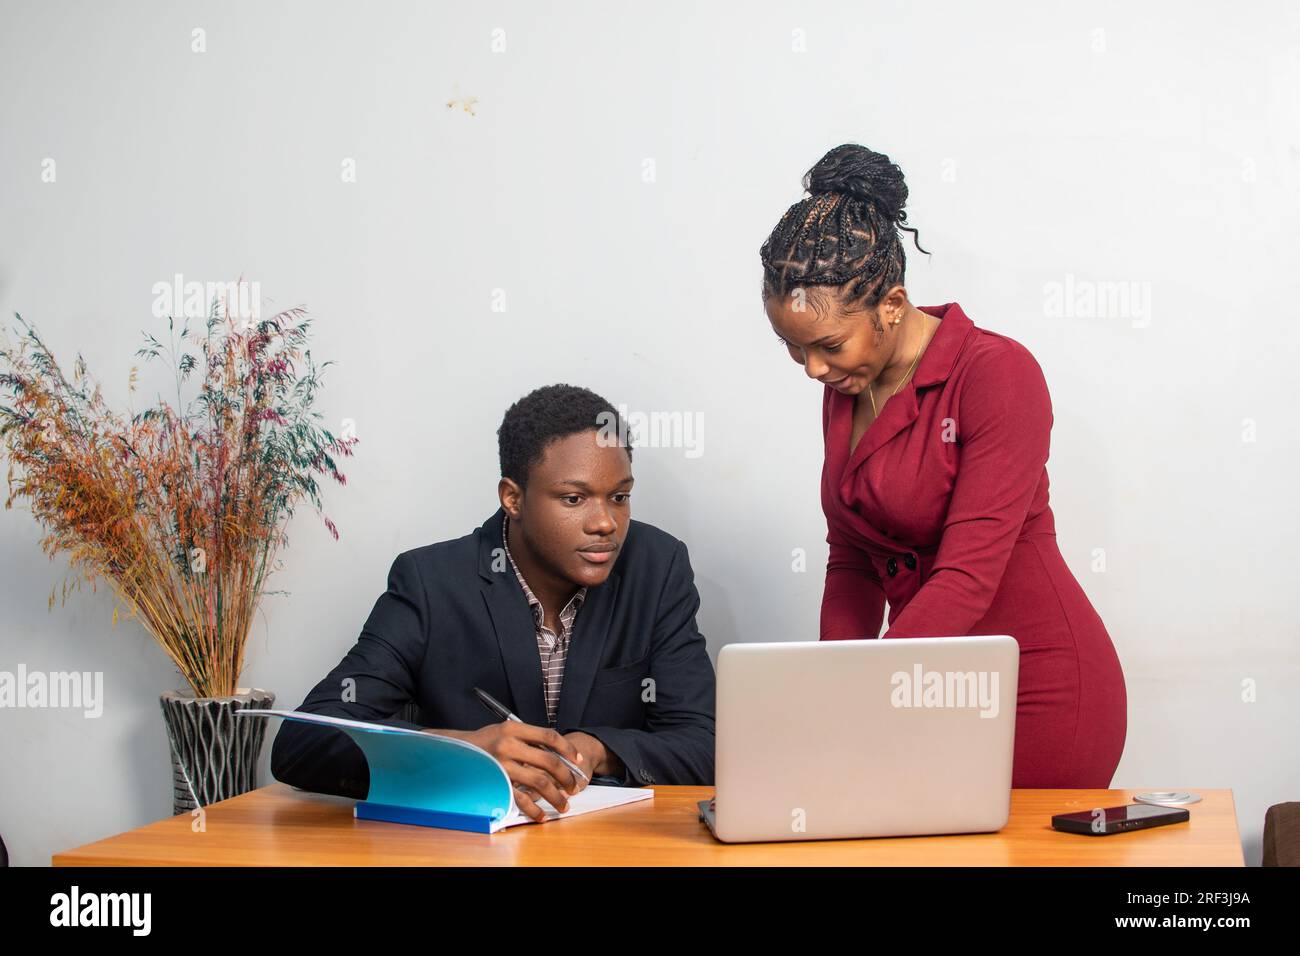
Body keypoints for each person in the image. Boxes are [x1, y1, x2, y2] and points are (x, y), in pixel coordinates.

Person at [759, 143, 1126, 788]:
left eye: (828, 345)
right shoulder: (848, 385)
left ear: (893, 304)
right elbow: (851, 561)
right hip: (920, 685)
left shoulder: (997, 374)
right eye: (793, 350)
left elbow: (966, 577)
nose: (813, 369)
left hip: (1032, 686)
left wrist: (861, 696)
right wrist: (831, 690)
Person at [271, 384, 716, 821]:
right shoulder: (431, 583)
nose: (605, 523)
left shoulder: (656, 568)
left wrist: (598, 750)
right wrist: (466, 751)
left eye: (619, 497)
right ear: (513, 498)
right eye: (574, 499)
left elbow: (706, 744)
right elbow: (303, 743)